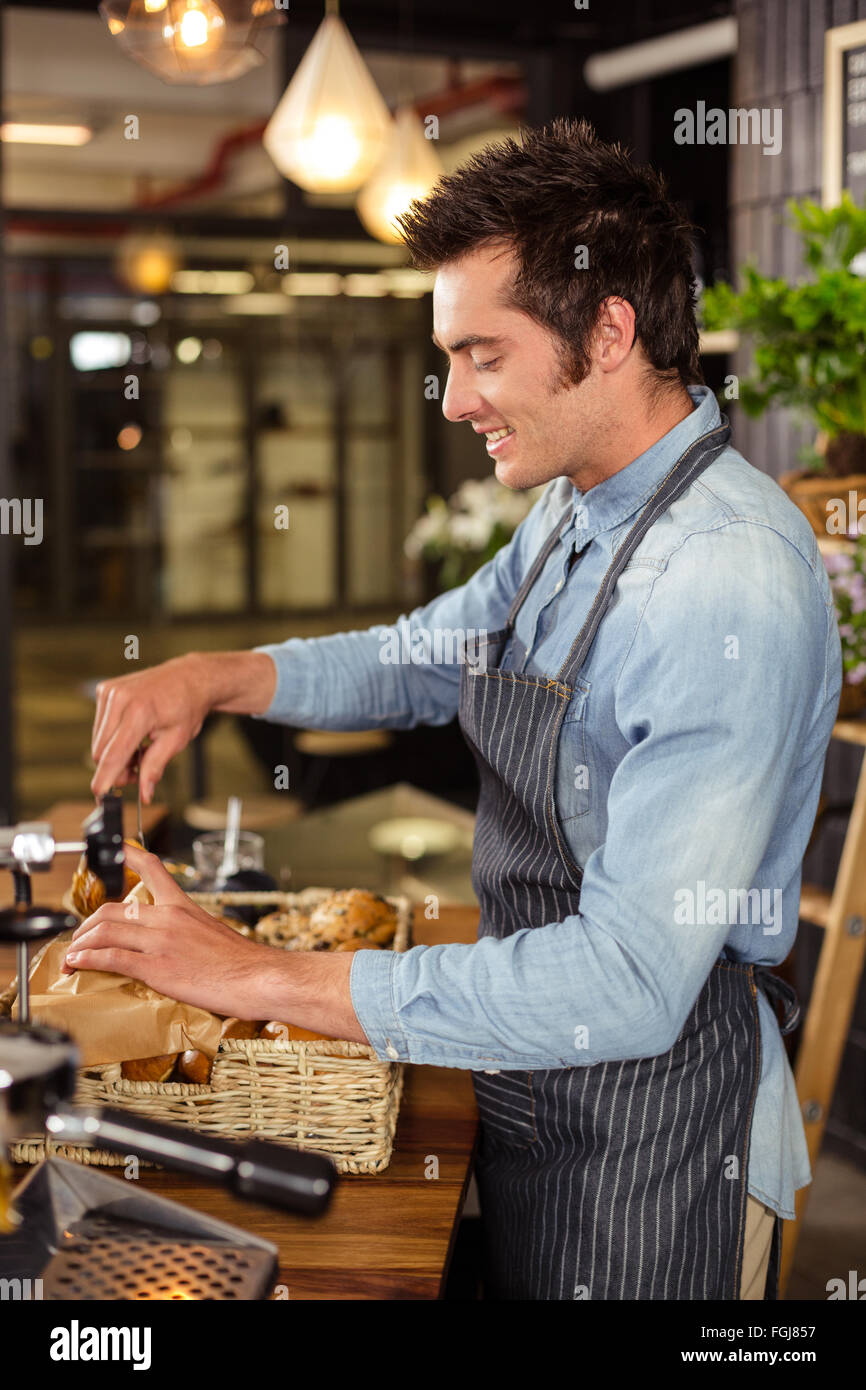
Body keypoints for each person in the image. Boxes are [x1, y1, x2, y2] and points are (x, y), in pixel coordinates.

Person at [79, 118, 840, 1301]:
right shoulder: (576, 508)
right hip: (537, 1088)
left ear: (607, 329)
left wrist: (258, 976)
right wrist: (222, 674)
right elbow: (425, 655)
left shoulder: (718, 579)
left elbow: (626, 986)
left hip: (658, 1126)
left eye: (481, 353)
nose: (450, 399)